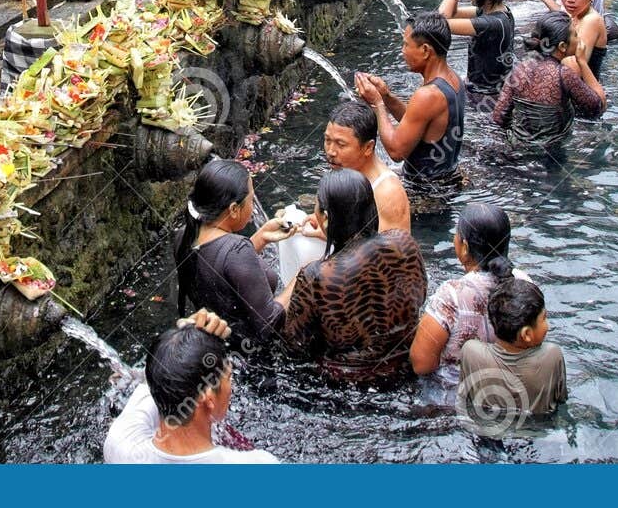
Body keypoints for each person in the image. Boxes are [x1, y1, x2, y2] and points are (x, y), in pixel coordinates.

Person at [281, 170, 427, 383]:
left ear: (326, 217)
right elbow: (420, 298)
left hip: (347, 382)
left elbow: (294, 347)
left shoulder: (316, 276)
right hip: (406, 367)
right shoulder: (404, 244)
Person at [104, 309, 280, 464]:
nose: (231, 386)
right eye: (229, 376)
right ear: (209, 397)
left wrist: (185, 340)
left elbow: (156, 377)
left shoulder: (120, 446)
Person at [174, 159, 299, 348]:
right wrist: (303, 275)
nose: (253, 204)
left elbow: (220, 273)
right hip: (251, 355)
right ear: (233, 209)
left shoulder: (183, 235)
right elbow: (269, 324)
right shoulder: (237, 250)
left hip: (217, 345)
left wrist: (260, 238)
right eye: (251, 199)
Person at [409, 203, 524, 375]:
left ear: (465, 247)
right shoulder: (524, 282)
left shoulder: (452, 295)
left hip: (454, 395)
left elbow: (421, 364)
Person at [354, 12, 465, 186]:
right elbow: (419, 122)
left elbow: (396, 151)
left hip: (425, 190)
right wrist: (386, 96)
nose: (402, 51)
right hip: (447, 178)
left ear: (426, 50)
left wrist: (377, 103)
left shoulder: (428, 95)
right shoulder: (454, 79)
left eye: (406, 45)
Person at [457, 278, 567, 427]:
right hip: (537, 432)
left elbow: (465, 399)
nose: (548, 326)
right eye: (544, 318)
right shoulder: (552, 355)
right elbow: (561, 399)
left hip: (488, 431)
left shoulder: (470, 352)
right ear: (526, 334)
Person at [491, 11, 606, 149]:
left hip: (517, 147)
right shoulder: (563, 74)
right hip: (551, 153)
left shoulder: (519, 69)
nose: (579, 39)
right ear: (563, 46)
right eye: (575, 35)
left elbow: (499, 117)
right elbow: (597, 107)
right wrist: (582, 62)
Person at [437, 0, 515, 107]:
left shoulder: (492, 24)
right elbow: (451, 13)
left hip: (484, 97)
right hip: (491, 90)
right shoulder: (499, 12)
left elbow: (439, 21)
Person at [323, 100, 409, 233]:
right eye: (328, 140)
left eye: (341, 144)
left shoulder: (387, 193)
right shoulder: (344, 169)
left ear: (368, 147)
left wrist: (325, 233)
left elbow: (392, 251)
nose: (331, 152)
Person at [526, 0, 617, 79]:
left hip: (583, 91)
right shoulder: (575, 14)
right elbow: (561, 12)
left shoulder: (591, 20)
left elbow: (575, 69)